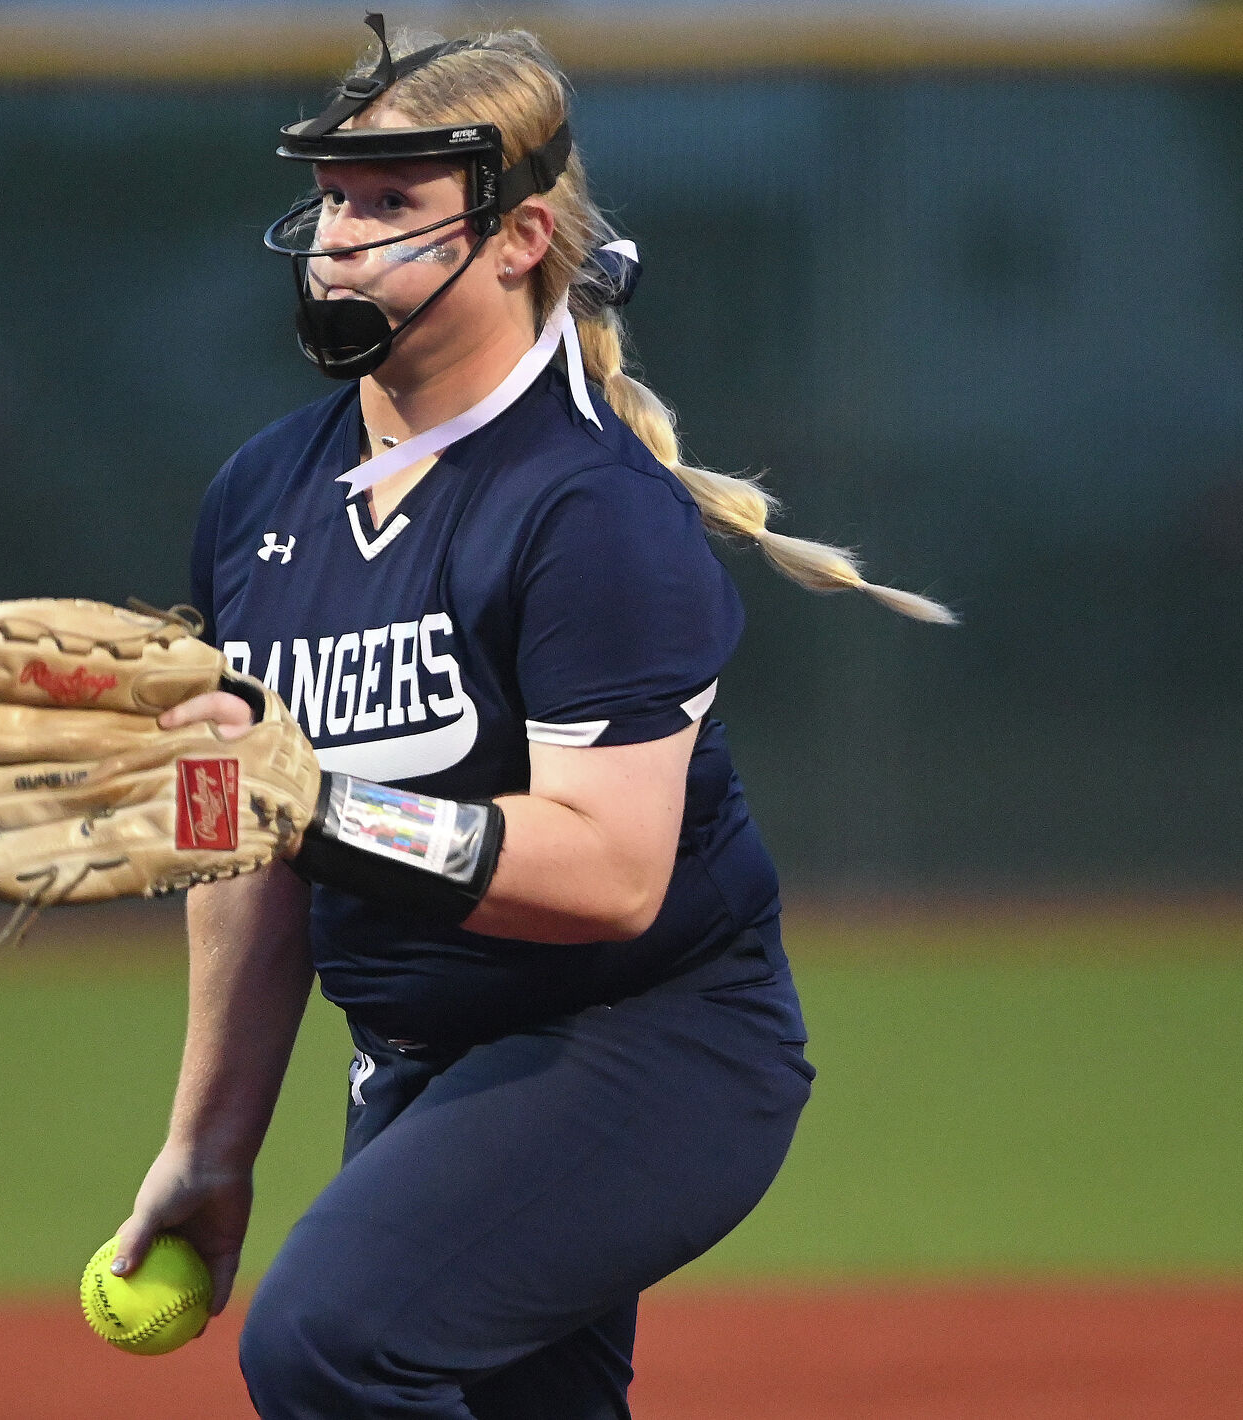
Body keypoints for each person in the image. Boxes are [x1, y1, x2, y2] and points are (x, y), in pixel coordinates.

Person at [107, 17, 953, 1419]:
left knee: (325, 1341)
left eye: (393, 207)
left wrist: (313, 810)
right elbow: (239, 847)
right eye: (332, 199)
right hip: (424, 1066)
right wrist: (208, 1142)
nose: (339, 240)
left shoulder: (590, 512)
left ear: (518, 236)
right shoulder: (261, 496)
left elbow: (609, 876)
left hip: (651, 1046)